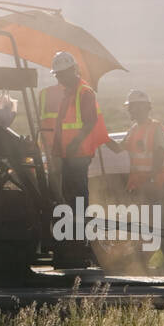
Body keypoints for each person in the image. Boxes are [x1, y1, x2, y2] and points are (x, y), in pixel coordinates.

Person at [103, 89, 164, 272]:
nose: (131, 111)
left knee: (157, 223)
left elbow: (159, 155)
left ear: (144, 108)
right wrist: (101, 136)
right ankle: (149, 259)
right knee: (146, 223)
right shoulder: (135, 129)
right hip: (141, 185)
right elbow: (117, 148)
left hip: (152, 184)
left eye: (133, 107)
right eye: (130, 108)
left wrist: (152, 181)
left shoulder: (156, 129)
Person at [39, 50, 100, 267]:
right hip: (66, 156)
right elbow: (59, 128)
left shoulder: (84, 92)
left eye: (62, 74)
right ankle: (71, 243)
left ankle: (80, 244)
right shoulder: (68, 93)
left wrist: (75, 143)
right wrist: (57, 152)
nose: (60, 78)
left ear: (73, 71)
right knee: (67, 199)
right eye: (57, 75)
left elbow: (90, 121)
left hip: (78, 156)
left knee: (78, 200)